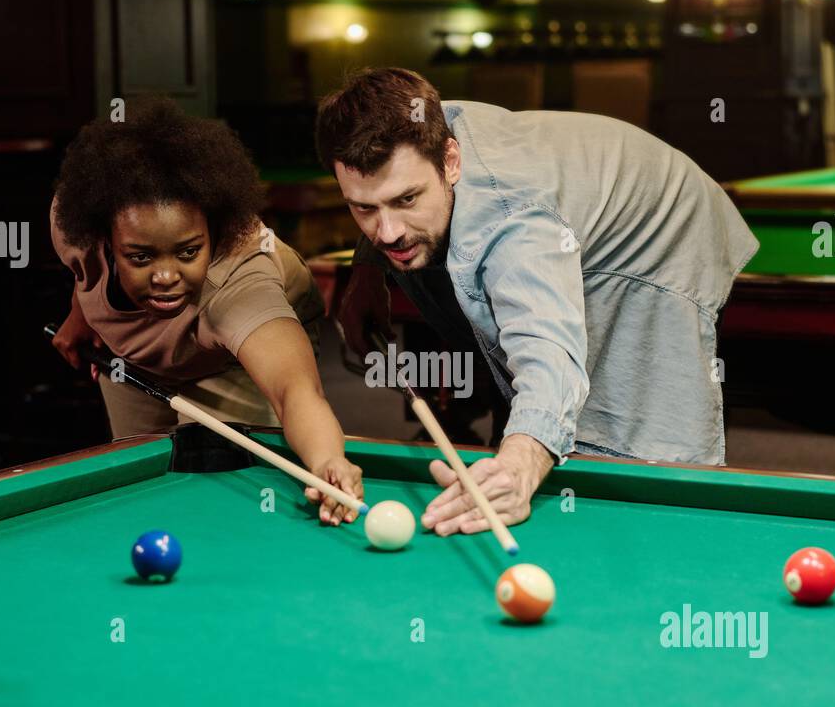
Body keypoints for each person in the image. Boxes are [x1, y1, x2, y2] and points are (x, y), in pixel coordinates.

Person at [316, 67, 758, 538]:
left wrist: (521, 464)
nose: (387, 232)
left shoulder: (514, 223)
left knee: (627, 446)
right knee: (531, 417)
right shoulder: (417, 127)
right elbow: (383, 198)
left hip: (658, 240)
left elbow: (548, 354)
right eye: (363, 208)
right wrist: (366, 271)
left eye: (407, 199)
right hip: (572, 201)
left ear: (451, 162)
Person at [50, 97, 362, 524]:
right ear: (106, 240)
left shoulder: (241, 285)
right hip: (138, 356)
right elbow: (84, 269)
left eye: (188, 252)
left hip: (231, 359)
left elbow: (295, 391)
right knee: (143, 479)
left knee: (228, 492)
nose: (165, 277)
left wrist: (329, 461)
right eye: (140, 257)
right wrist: (82, 314)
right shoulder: (74, 223)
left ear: (212, 233)